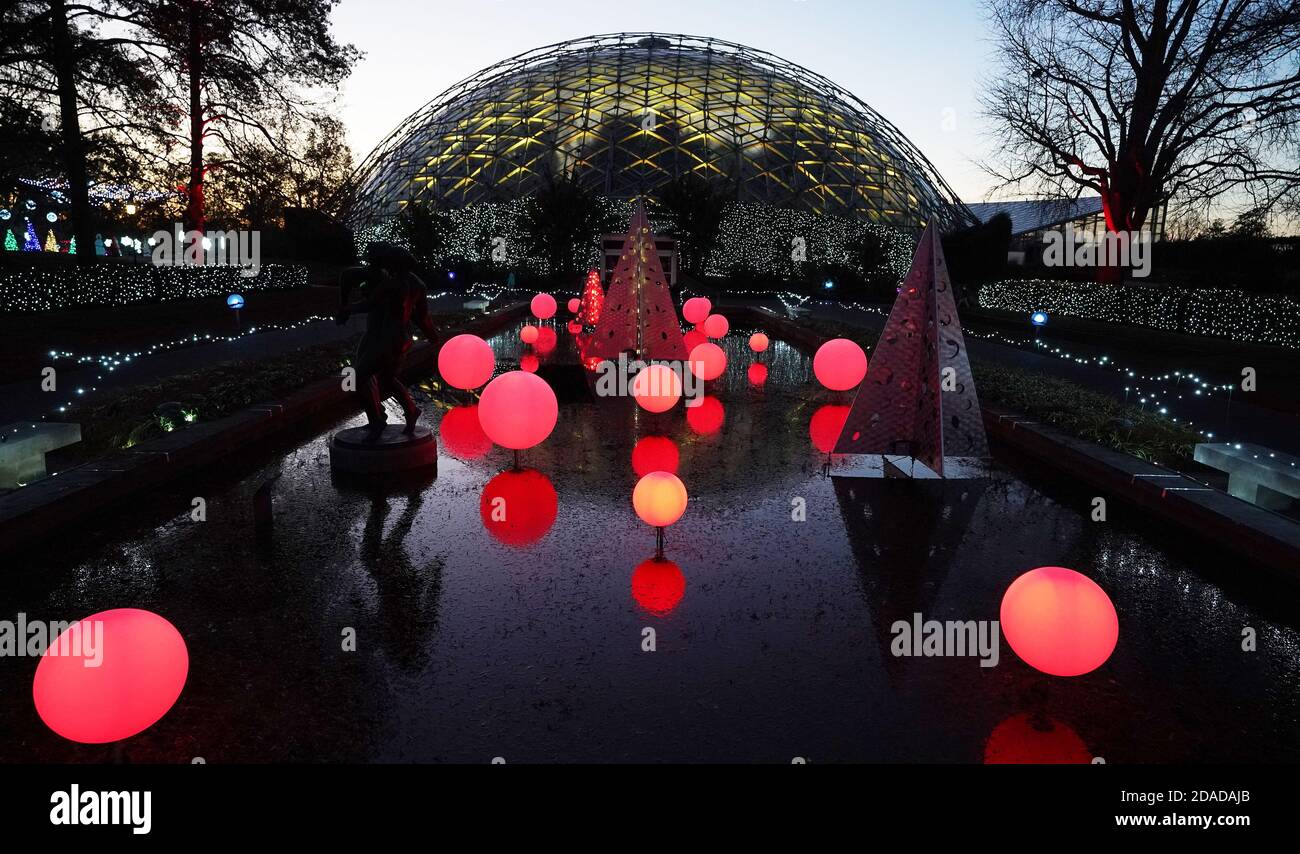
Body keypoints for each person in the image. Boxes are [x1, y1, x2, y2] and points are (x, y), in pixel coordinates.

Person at [336, 243, 439, 438]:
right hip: (404, 338)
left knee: (357, 377)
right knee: (387, 378)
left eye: (388, 263)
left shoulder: (391, 283)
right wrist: (434, 337)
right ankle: (409, 410)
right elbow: (422, 317)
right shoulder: (418, 284)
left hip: (387, 338)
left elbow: (369, 303)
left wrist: (346, 310)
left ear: (393, 263)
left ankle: (382, 419)